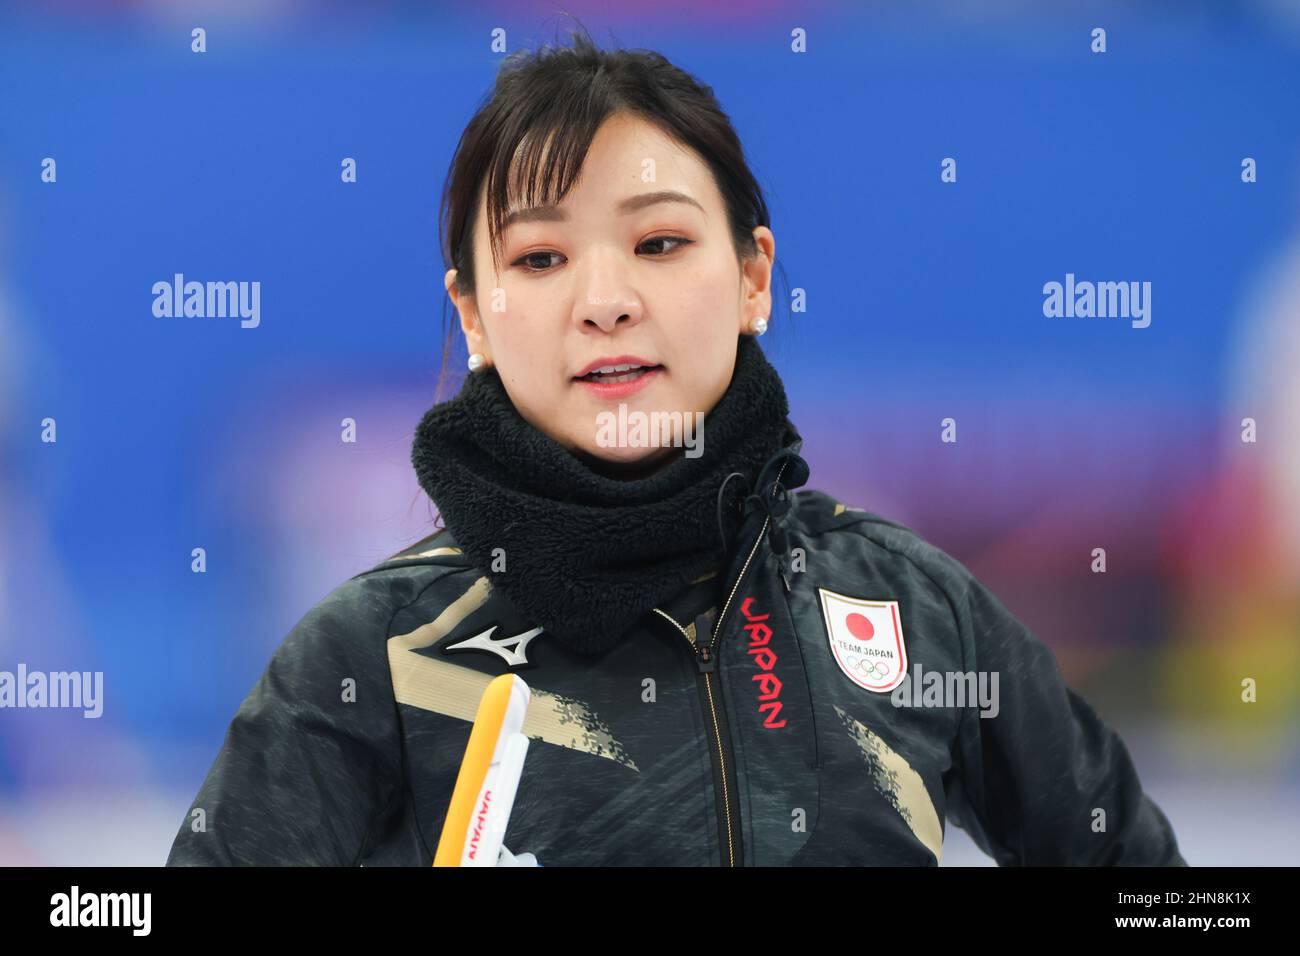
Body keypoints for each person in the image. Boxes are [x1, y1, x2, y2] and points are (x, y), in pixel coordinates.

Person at [165, 25, 1186, 867]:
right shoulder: (374, 656)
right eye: (540, 255)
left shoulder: (912, 613)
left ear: (753, 276)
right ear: (473, 315)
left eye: (658, 242)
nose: (605, 301)